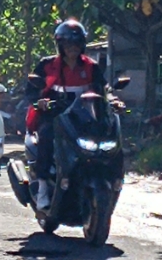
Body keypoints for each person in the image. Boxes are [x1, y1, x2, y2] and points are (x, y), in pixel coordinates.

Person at [25, 19, 108, 210]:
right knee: (46, 135)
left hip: (84, 117)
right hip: (55, 115)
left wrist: (114, 101)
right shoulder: (47, 65)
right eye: (68, 45)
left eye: (76, 44)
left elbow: (103, 89)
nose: (72, 49)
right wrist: (41, 101)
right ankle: (44, 187)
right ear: (61, 46)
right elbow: (31, 91)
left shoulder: (91, 67)